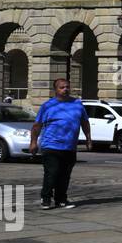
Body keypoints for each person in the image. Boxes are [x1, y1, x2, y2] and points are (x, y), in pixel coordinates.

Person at [29, 78, 91, 211]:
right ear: (55, 90)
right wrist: (33, 142)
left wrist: (88, 139)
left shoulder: (77, 104)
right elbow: (36, 125)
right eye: (62, 87)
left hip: (70, 146)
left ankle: (61, 199)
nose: (65, 89)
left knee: (65, 175)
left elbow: (85, 123)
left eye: (67, 87)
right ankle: (45, 199)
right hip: (51, 145)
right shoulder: (48, 106)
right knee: (52, 173)